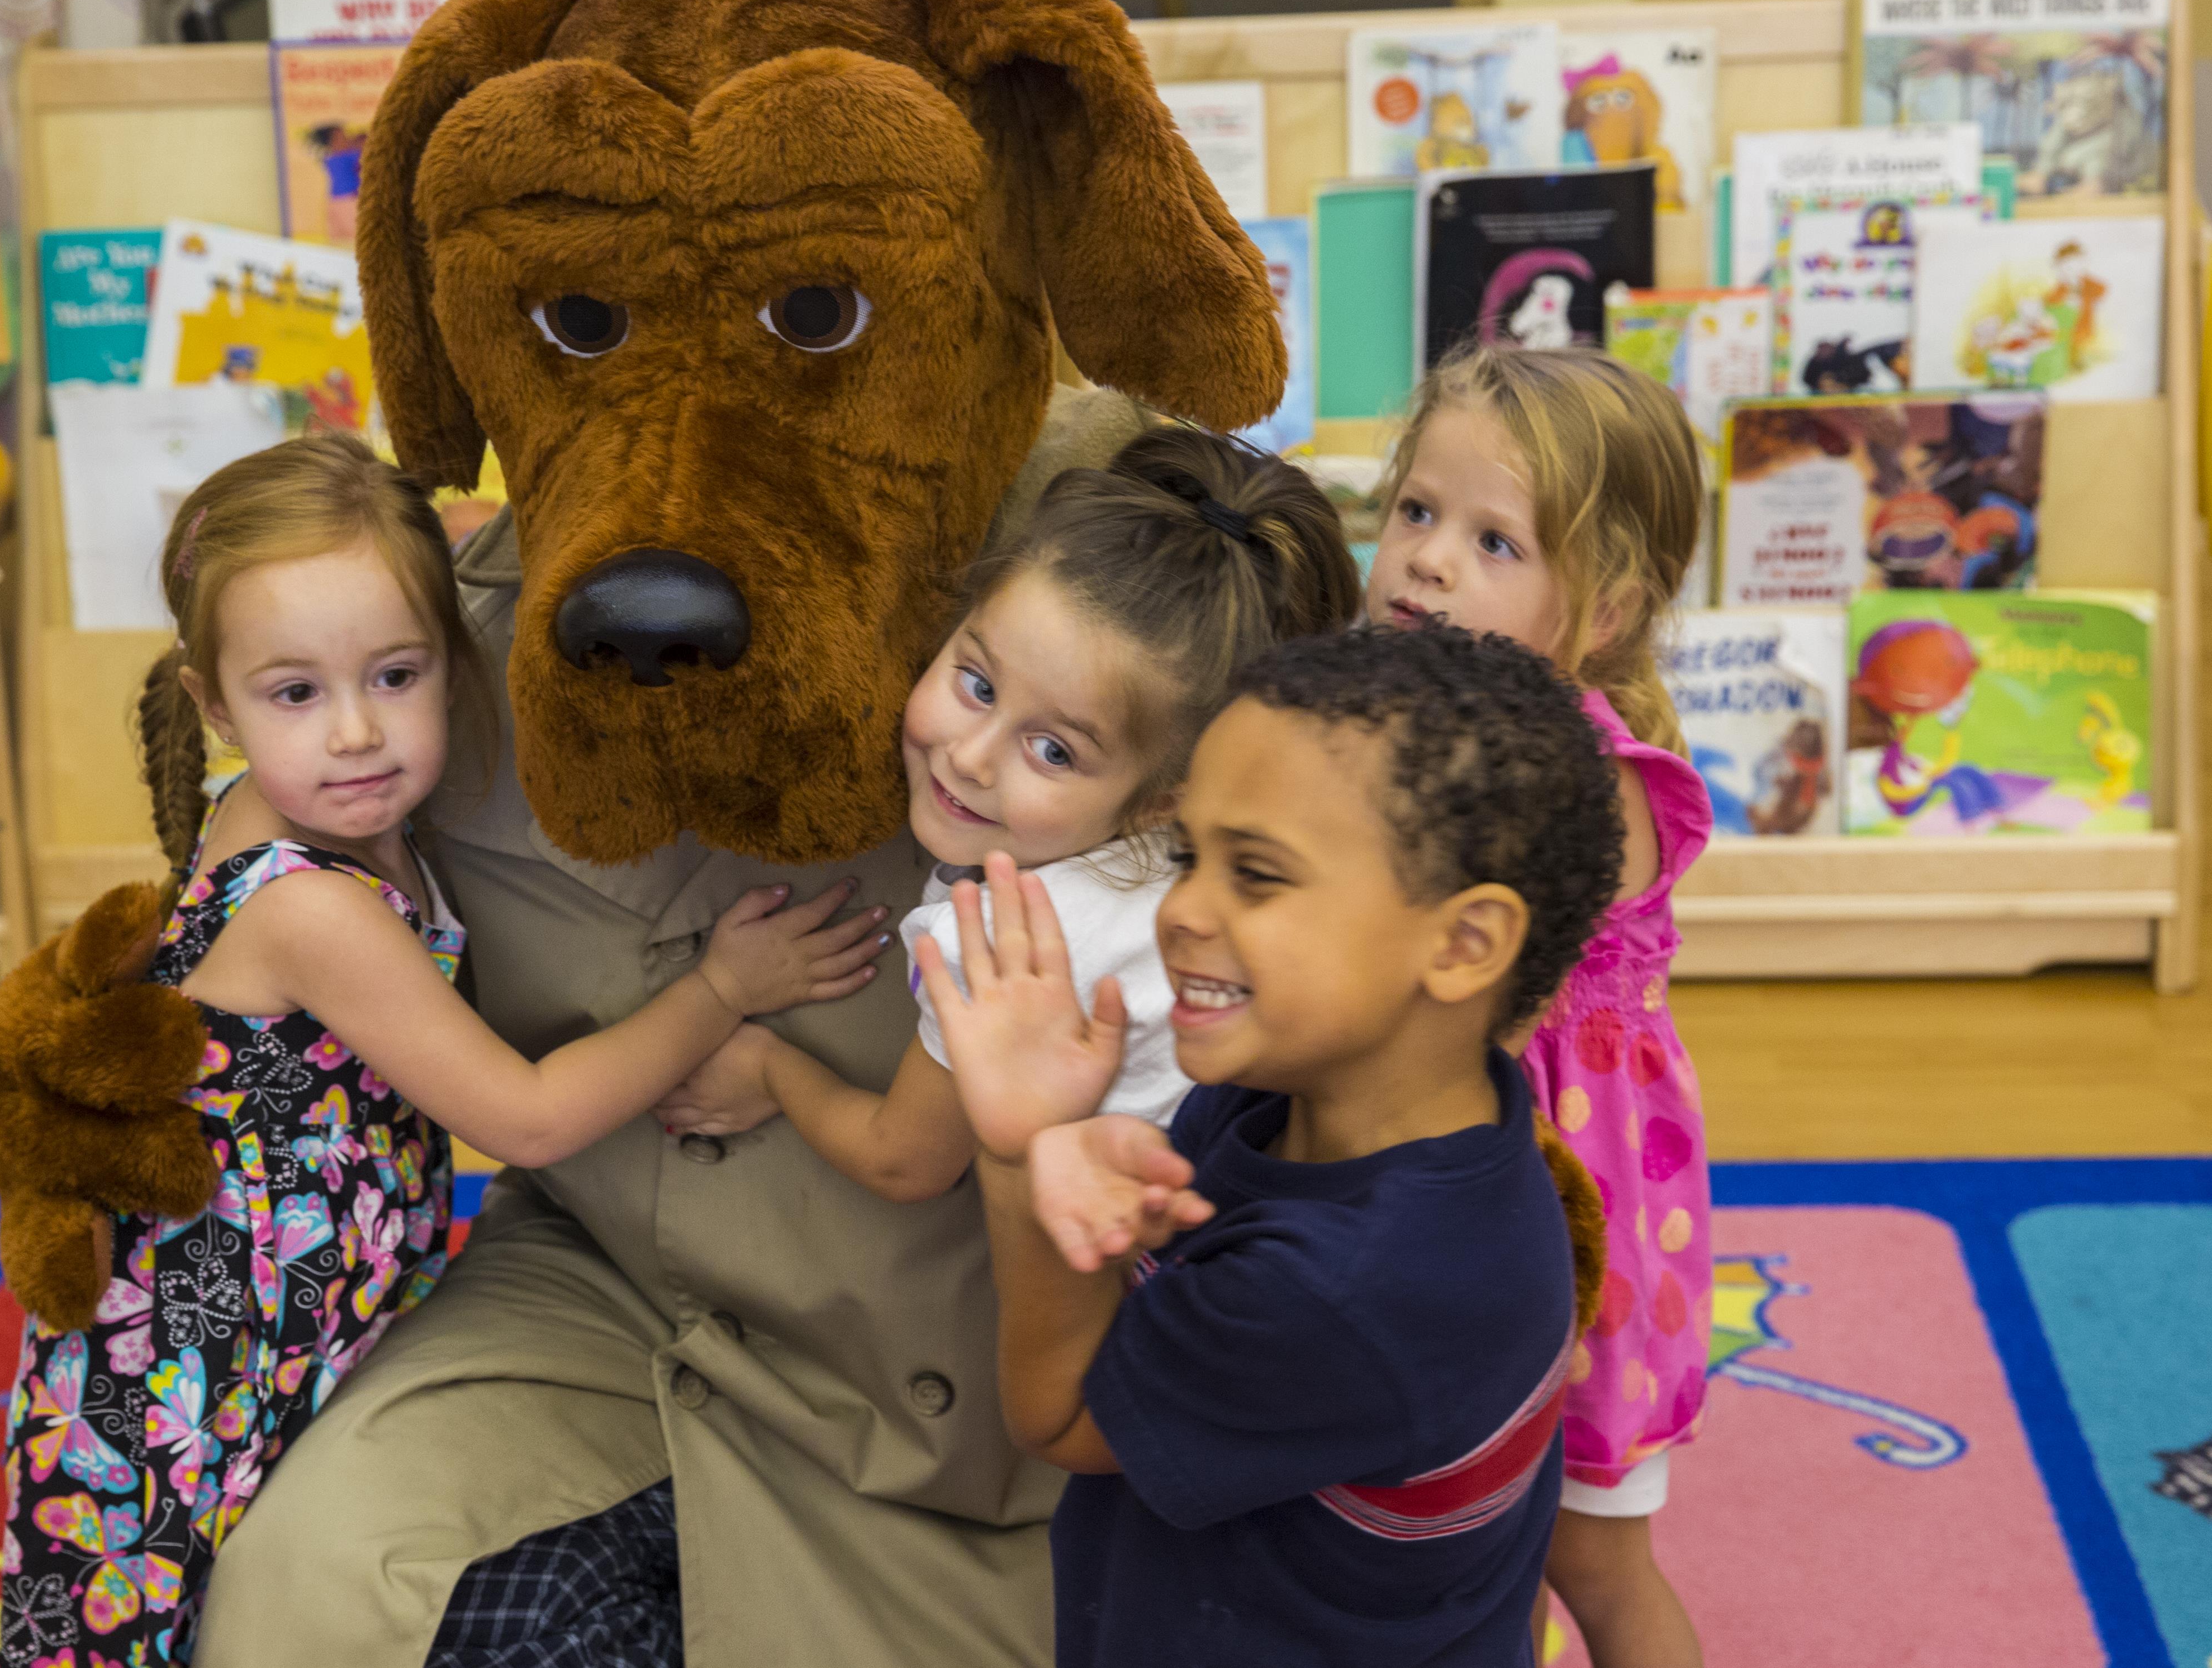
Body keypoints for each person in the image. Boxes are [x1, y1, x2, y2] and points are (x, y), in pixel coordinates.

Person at [0, 436, 888, 1668]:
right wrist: (724, 987)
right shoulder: (309, 906)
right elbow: (521, 1119)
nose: (357, 734)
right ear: (214, 705)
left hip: (281, 1324)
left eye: (397, 675)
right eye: (294, 694)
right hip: (198, 1368)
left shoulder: (338, 817)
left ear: (453, 665)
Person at [927, 625, 1624, 1666]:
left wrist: (1022, 1150)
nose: (1184, 909)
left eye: (1256, 873)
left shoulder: (1340, 1289)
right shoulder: (1380, 1110)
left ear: (1463, 944)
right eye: (1187, 855)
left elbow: (1062, 1414)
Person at [651, 426, 1360, 1199]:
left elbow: (907, 1160)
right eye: (978, 685)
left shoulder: (1000, 940)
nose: (970, 757)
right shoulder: (1209, 867)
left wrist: (768, 1069)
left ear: (1160, 801)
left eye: (1053, 751)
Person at [1364, 343, 1713, 1667]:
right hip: (1482, 1190)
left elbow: (1472, 1008)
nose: (1429, 560)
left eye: (1492, 541)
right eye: (1413, 512)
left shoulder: (1568, 774)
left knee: (1591, 1557)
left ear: (1606, 607)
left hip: (1578, 1226)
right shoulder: (1430, 714)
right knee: (1478, 1536)